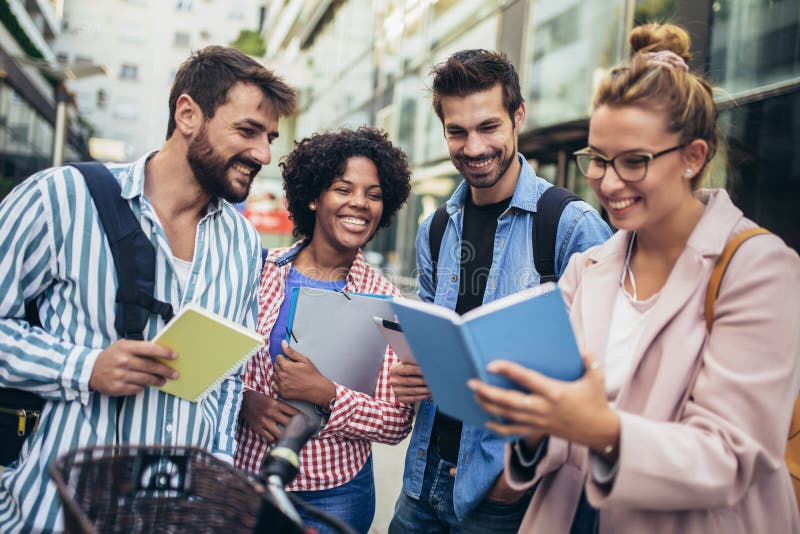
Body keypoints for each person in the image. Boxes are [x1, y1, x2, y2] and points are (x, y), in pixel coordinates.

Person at [470, 23, 800, 533]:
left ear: (693, 157)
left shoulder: (759, 269)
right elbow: (561, 419)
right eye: (598, 160)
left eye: (633, 162)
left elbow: (729, 455)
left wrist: (602, 430)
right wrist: (533, 425)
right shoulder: (588, 267)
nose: (608, 182)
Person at [0, 46, 296, 532]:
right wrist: (85, 367)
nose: (263, 154)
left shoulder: (244, 242)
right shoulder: (60, 197)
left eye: (269, 138)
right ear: (187, 114)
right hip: (54, 514)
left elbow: (227, 379)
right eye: (247, 131)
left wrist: (219, 470)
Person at [388, 50, 612, 533]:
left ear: (518, 117)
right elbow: (434, 343)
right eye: (457, 132)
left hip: (507, 493)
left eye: (488, 127)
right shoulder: (435, 228)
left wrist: (513, 479)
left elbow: (604, 376)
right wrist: (412, 374)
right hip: (423, 478)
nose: (473, 147)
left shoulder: (571, 226)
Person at [234, 127, 414, 534]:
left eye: (373, 194)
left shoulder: (387, 300)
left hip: (335, 492)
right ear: (314, 197)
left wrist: (328, 394)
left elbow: (396, 422)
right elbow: (214, 363)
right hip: (249, 475)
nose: (360, 203)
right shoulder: (258, 271)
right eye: (343, 189)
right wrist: (243, 400)